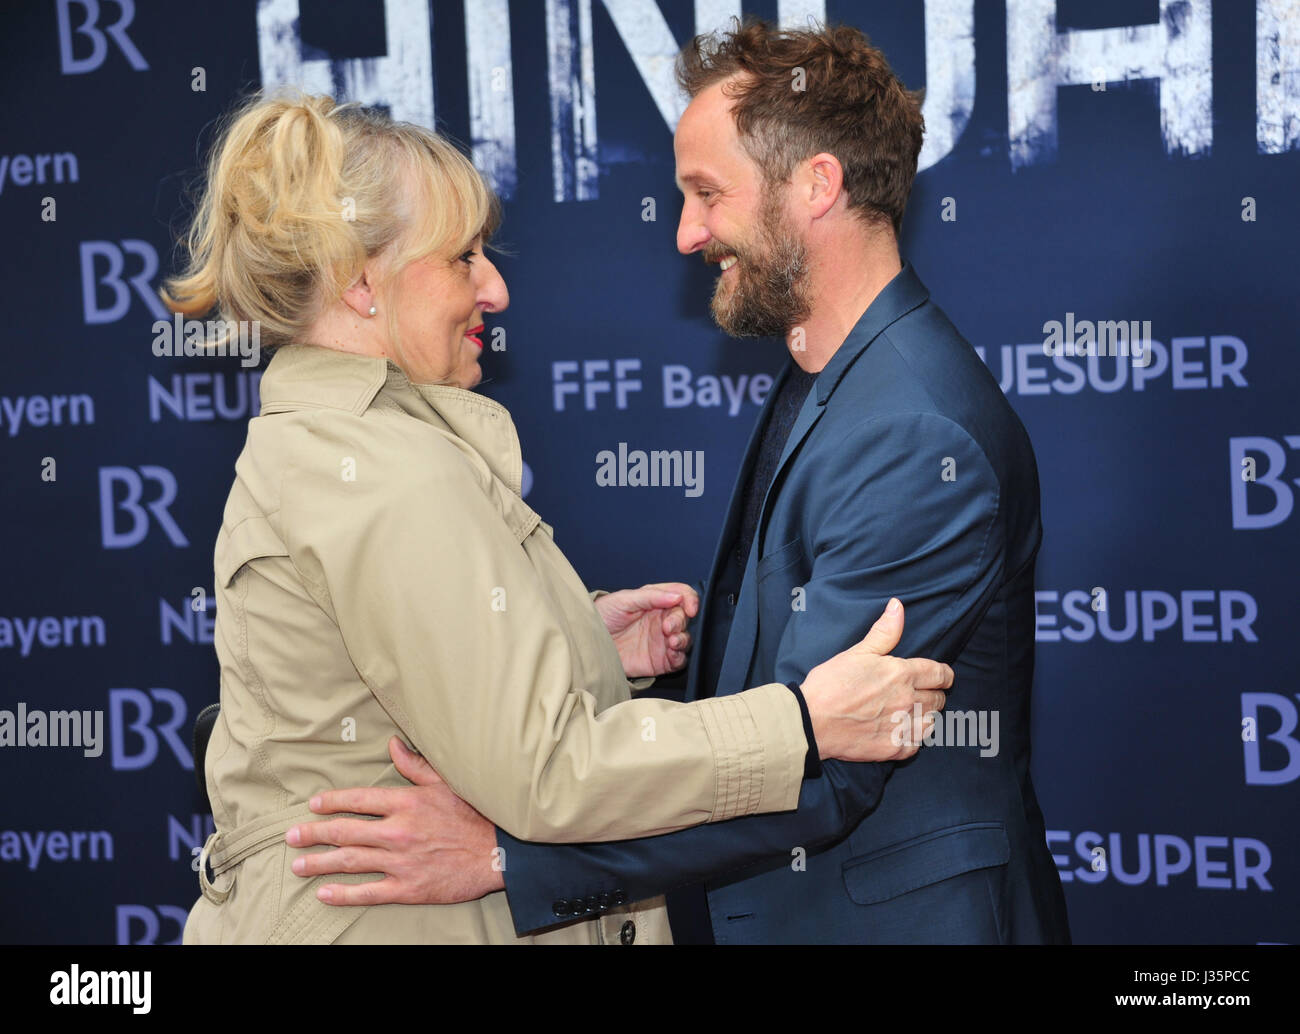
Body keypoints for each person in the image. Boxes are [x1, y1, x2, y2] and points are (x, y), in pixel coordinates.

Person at [292, 19, 1072, 944]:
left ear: (816, 185)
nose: (688, 232)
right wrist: (583, 646)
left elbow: (826, 765)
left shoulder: (911, 432)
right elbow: (789, 717)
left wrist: (510, 860)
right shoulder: (833, 379)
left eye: (707, 193)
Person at [165, 89, 953, 944]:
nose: (495, 288)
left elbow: (407, 673)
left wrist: (571, 638)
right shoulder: (379, 470)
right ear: (363, 285)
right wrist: (800, 727)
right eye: (462, 258)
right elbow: (548, 772)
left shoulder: (341, 446)